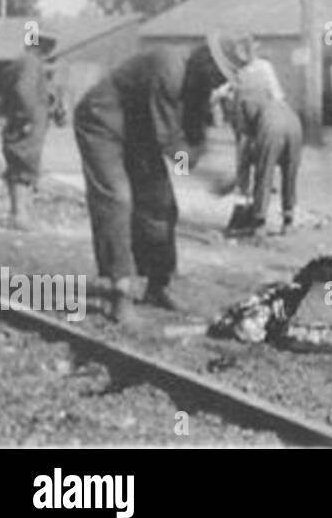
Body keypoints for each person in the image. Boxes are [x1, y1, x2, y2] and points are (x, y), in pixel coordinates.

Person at [74, 33, 250, 323]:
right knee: (117, 200)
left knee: (161, 203)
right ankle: (117, 294)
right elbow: (170, 143)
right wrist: (207, 178)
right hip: (101, 122)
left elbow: (191, 140)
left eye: (226, 78)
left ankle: (157, 285)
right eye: (220, 75)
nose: (221, 84)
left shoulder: (199, 81)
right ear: (206, 61)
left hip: (138, 133)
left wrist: (203, 165)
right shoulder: (168, 69)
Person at [0, 32, 57, 229]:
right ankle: (19, 215)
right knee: (22, 167)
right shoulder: (31, 63)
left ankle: (19, 213)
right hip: (25, 124)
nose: (50, 51)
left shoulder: (22, 62)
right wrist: (27, 117)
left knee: (21, 166)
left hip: (21, 121)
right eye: (48, 45)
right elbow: (23, 90)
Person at [232, 89, 303, 236]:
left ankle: (259, 222)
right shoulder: (267, 92)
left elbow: (244, 140)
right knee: (290, 173)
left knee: (264, 173)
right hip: (295, 123)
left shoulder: (241, 100)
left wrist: (242, 181)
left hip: (271, 125)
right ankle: (288, 221)